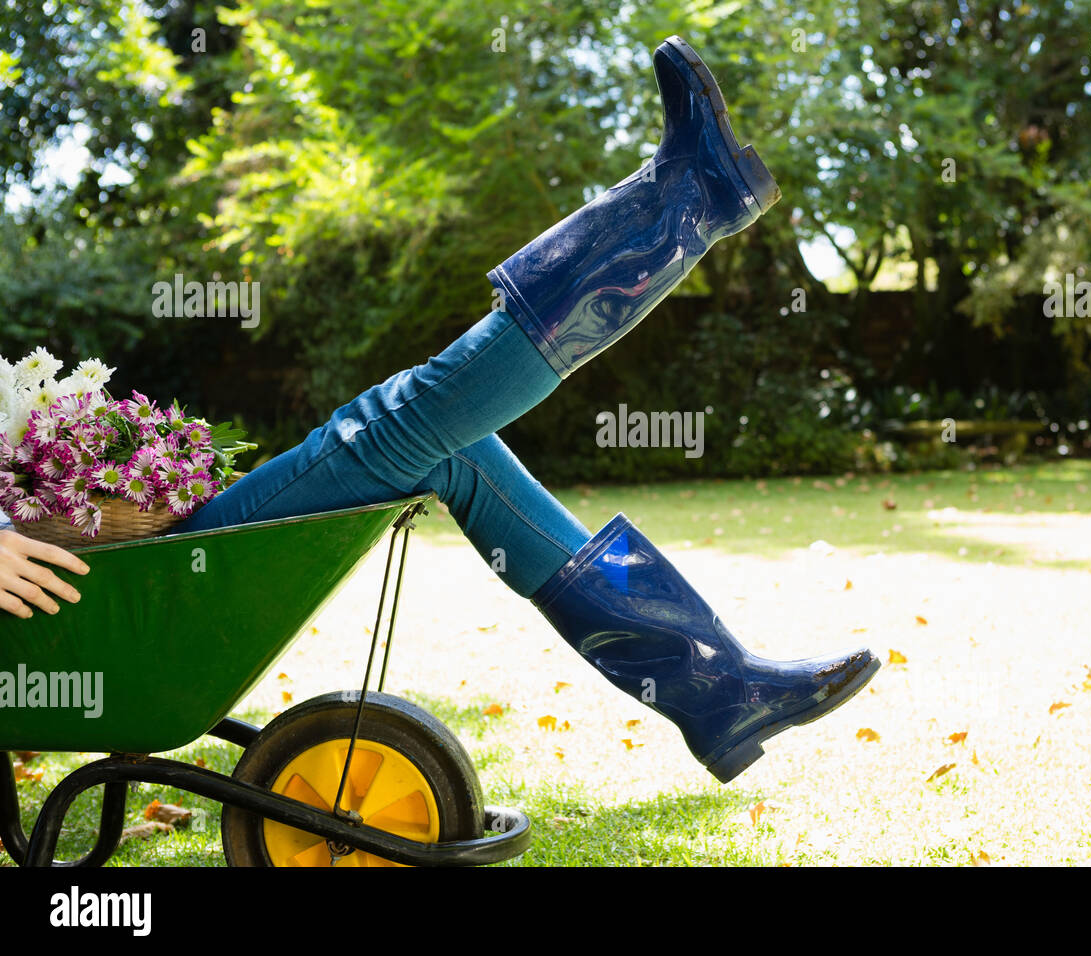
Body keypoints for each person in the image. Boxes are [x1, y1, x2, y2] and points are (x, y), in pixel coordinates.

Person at [0, 37, 878, 783]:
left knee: (450, 446)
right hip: (106, 603)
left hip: (121, 578)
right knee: (408, 421)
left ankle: (715, 688)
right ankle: (684, 199)